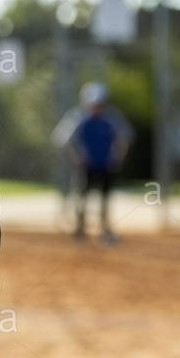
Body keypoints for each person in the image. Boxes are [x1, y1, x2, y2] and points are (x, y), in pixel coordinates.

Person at [66, 81, 132, 244]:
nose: (98, 107)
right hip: (87, 165)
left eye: (100, 103)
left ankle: (105, 228)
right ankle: (80, 228)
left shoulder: (111, 119)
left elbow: (125, 137)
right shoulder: (79, 118)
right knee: (82, 196)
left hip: (105, 164)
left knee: (105, 197)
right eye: (94, 103)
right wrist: (78, 156)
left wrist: (118, 155)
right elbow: (65, 140)